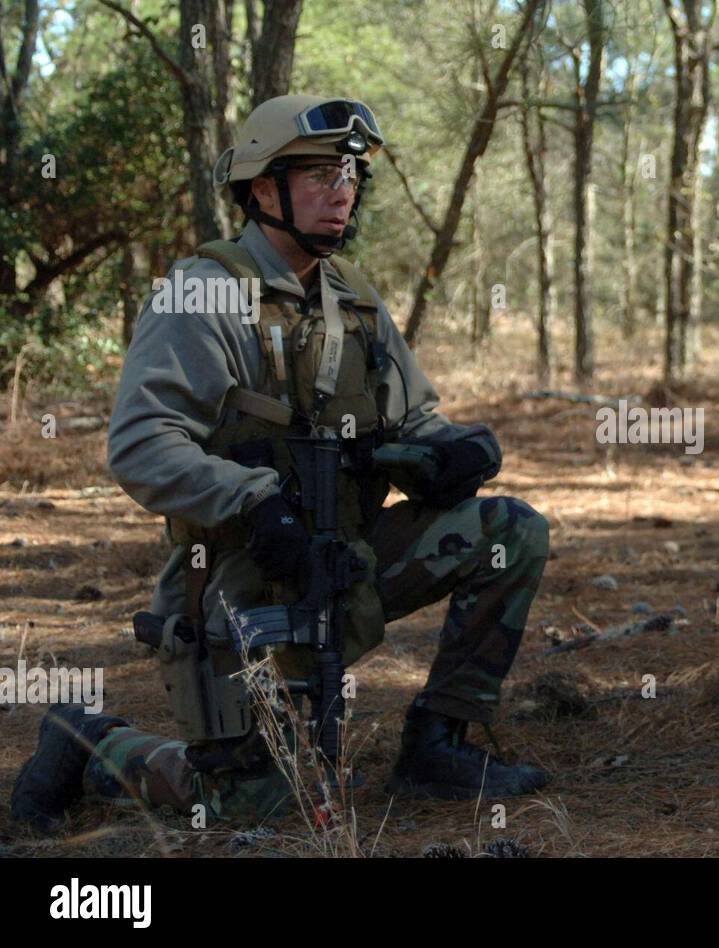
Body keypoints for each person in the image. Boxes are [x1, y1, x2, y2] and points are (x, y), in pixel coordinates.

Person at [11, 95, 551, 833]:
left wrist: (452, 450)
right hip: (239, 577)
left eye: (353, 173)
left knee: (509, 531)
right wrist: (250, 499)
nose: (344, 189)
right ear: (263, 189)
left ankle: (438, 743)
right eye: (322, 172)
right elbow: (141, 442)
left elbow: (414, 416)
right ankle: (90, 740)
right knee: (254, 805)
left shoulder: (354, 301)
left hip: (344, 556)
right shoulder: (201, 294)